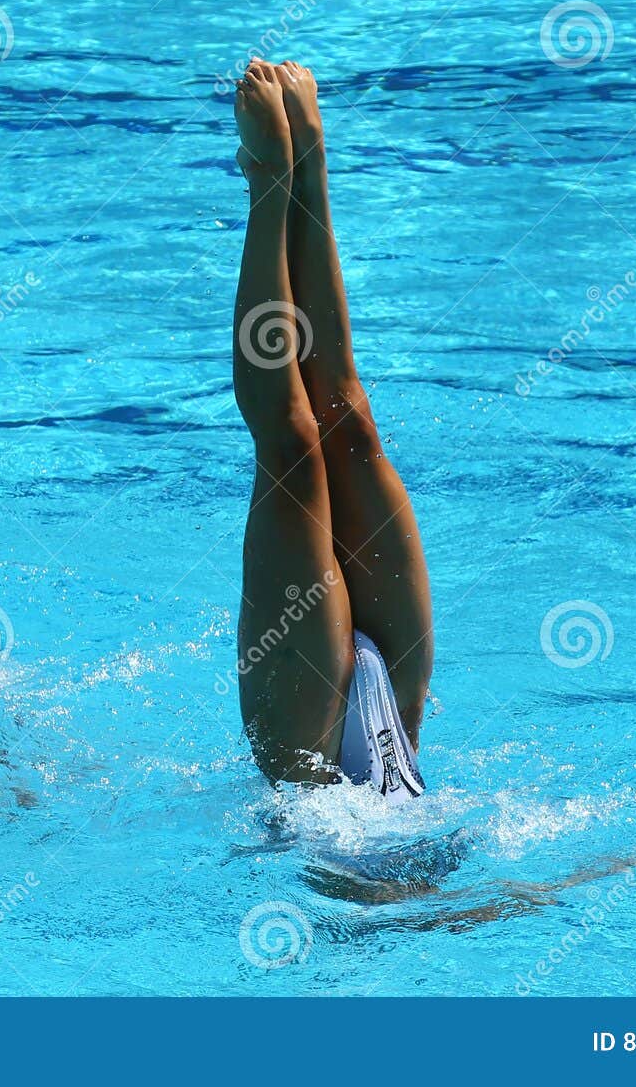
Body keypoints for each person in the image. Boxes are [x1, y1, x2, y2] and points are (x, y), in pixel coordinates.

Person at [230, 58, 434, 797]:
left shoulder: (377, 906)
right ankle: (309, 172)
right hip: (397, 740)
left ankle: (268, 183)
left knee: (290, 448)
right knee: (348, 420)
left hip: (305, 769)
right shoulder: (427, 902)